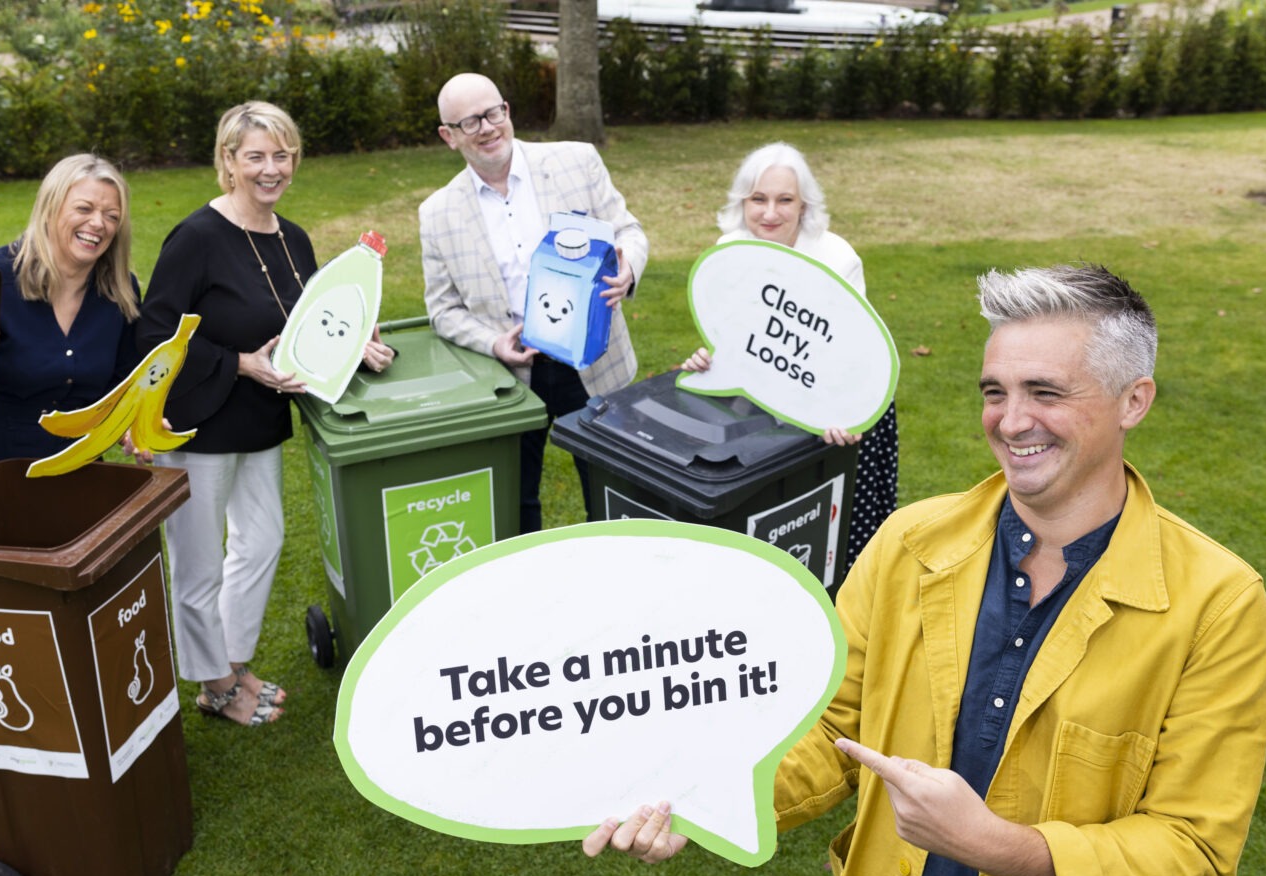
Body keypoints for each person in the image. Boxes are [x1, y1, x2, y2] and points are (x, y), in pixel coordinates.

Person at [587, 264, 1266, 876]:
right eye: (995, 391)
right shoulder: (909, 542)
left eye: (1045, 393)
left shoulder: (1216, 601)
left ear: (1132, 400)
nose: (1011, 422)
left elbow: (1194, 846)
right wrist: (696, 796)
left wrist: (1000, 846)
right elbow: (830, 726)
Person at [137, 100, 394, 727]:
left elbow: (307, 323)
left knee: (262, 540)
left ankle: (230, 662)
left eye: (282, 155)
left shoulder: (293, 237)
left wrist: (355, 338)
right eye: (255, 156)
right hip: (199, 419)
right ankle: (217, 686)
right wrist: (240, 363)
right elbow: (152, 331)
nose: (270, 169)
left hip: (259, 422)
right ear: (229, 162)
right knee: (198, 564)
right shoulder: (195, 238)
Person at [419, 72, 649, 533]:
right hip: (512, 371)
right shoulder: (437, 213)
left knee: (610, 491)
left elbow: (628, 231)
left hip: (593, 359)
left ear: (507, 110)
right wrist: (491, 343)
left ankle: (615, 572)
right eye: (469, 123)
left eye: (492, 113)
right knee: (513, 501)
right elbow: (442, 310)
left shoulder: (575, 161)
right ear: (448, 136)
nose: (486, 128)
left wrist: (628, 269)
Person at [683, 141, 896, 570]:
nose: (770, 213)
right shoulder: (730, 249)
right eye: (758, 199)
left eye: (785, 200)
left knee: (838, 538)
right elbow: (737, 335)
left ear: (804, 206)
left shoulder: (837, 258)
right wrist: (709, 360)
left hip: (832, 413)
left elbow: (853, 356)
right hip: (763, 411)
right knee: (771, 527)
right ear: (742, 202)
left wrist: (849, 414)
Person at [0, 153, 141, 481]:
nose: (98, 223)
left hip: (80, 470)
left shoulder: (119, 291)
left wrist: (133, 422)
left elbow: (124, 381)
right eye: (84, 208)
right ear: (50, 209)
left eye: (111, 215)